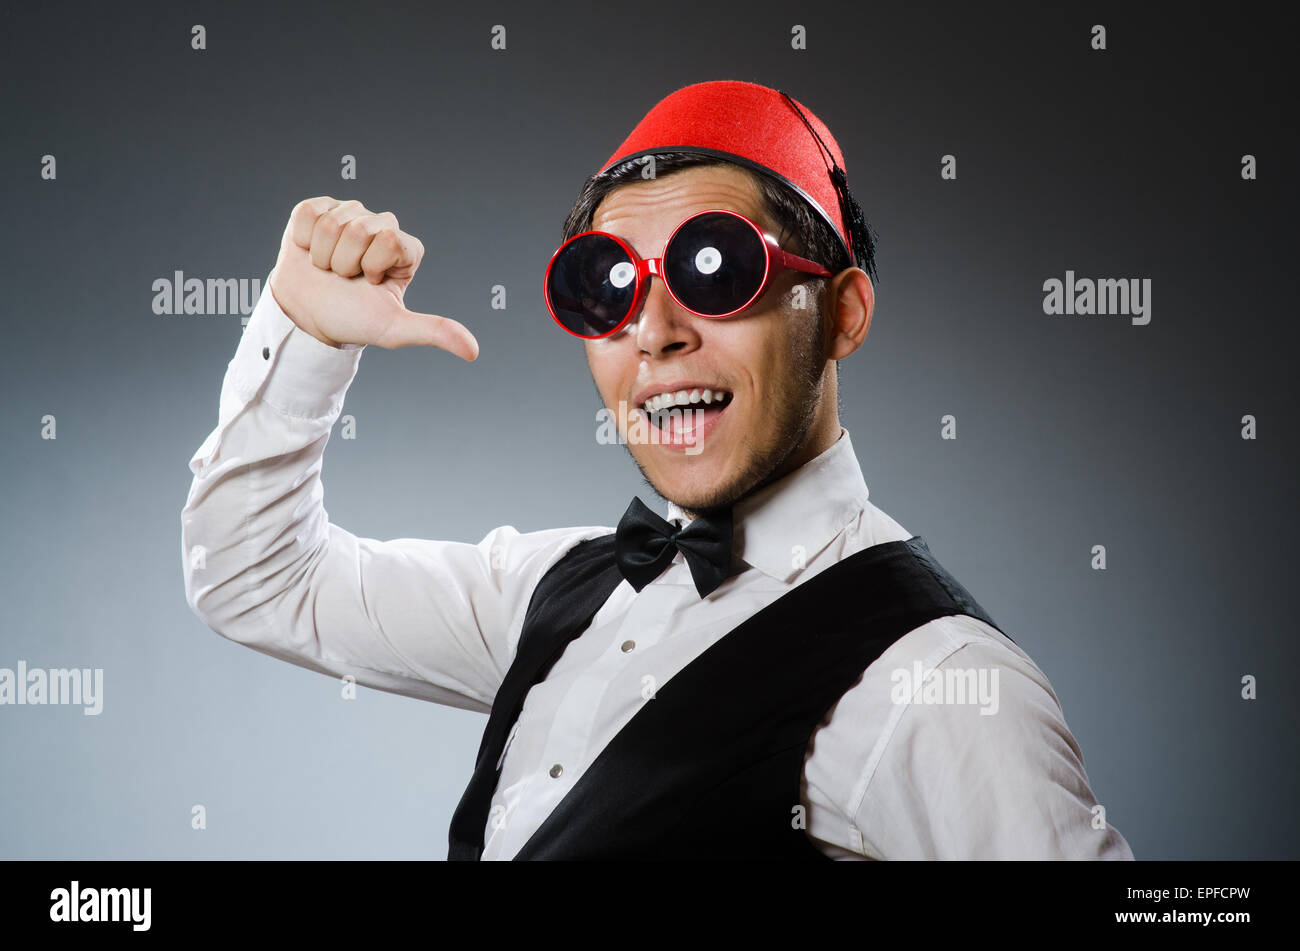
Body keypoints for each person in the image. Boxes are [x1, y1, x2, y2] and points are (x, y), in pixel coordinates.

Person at [181, 79, 1134, 860]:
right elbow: (260, 581)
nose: (656, 335)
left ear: (842, 311)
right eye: (609, 288)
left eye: (715, 271)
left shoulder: (938, 680)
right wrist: (302, 335)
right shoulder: (558, 593)